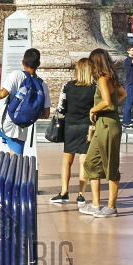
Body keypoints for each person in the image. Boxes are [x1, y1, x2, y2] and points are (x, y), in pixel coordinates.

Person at [81, 48, 126, 217]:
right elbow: (123, 94)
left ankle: (111, 207)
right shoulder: (111, 79)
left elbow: (106, 102)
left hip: (107, 124)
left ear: (95, 63)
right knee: (91, 163)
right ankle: (95, 205)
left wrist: (93, 110)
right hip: (105, 123)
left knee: (110, 166)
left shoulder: (102, 80)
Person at [50, 58, 95, 206]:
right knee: (83, 162)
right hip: (87, 127)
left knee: (67, 161)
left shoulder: (68, 86)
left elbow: (61, 108)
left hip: (70, 126)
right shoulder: (95, 87)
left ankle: (64, 192)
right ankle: (81, 195)